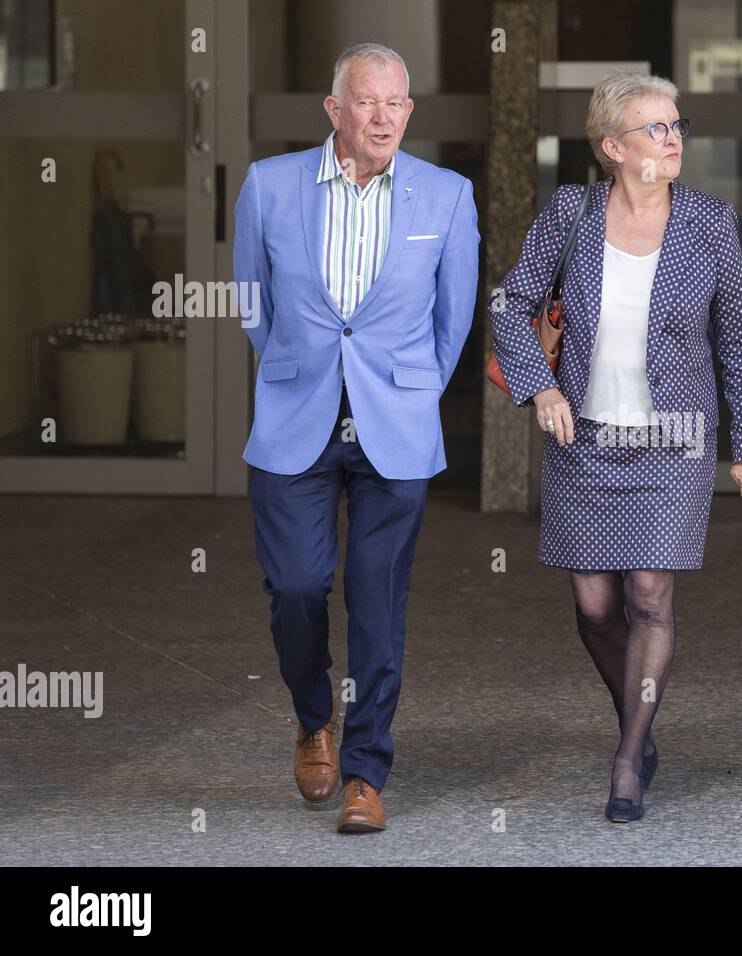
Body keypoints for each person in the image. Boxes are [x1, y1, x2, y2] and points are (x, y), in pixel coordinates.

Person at [490, 71, 742, 824]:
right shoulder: (572, 213)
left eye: (676, 125)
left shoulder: (709, 222)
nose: (673, 138)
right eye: (655, 128)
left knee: (649, 594)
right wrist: (539, 389)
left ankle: (628, 757)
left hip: (673, 443)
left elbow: (736, 341)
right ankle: (637, 721)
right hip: (584, 436)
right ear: (613, 146)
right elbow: (510, 304)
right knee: (593, 607)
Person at [233, 43, 479, 833]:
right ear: (334, 111)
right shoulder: (269, 187)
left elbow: (453, 323)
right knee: (299, 586)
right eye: (366, 103)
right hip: (293, 418)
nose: (383, 117)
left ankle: (366, 773)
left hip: (395, 426)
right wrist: (300, 372)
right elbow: (251, 303)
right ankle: (314, 720)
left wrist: (404, 396)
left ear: (410, 111)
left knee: (378, 599)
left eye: (396, 103)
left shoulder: (446, 196)